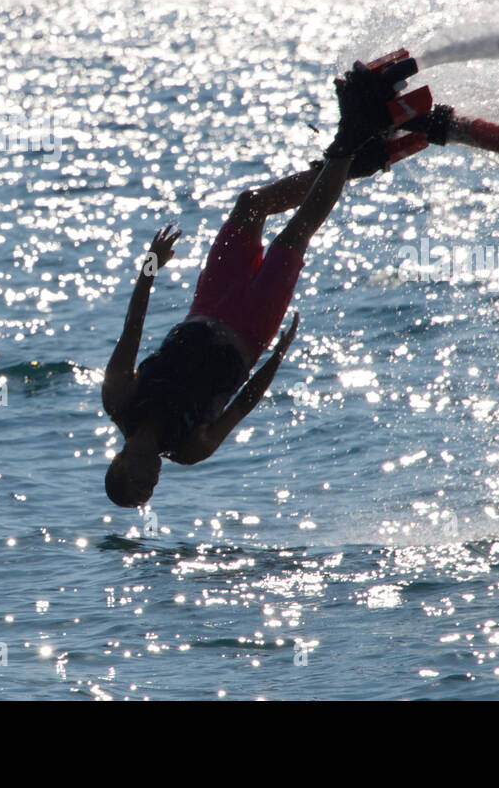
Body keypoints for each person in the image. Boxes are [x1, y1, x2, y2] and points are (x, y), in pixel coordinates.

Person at [101, 52, 424, 507]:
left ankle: (354, 160)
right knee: (294, 234)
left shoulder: (118, 398)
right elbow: (243, 403)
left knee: (250, 204)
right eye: (149, 490)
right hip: (250, 329)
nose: (151, 480)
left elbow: (132, 328)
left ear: (117, 464)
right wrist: (277, 356)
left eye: (137, 482)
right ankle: (350, 141)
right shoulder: (190, 448)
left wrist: (151, 266)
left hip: (210, 303)